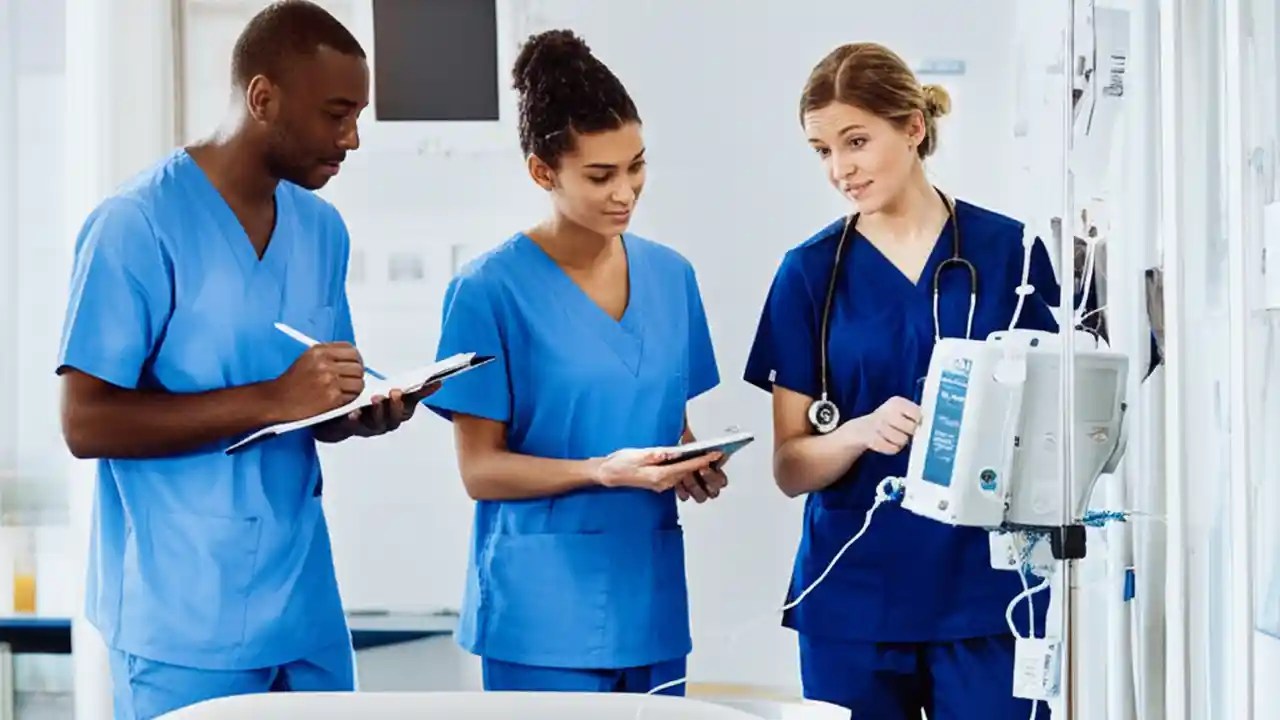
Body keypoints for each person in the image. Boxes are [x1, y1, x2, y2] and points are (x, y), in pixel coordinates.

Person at [55, 2, 434, 717]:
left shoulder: (321, 230)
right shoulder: (136, 225)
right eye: (336, 114)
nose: (352, 138)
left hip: (302, 605)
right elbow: (85, 422)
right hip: (183, 614)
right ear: (263, 98)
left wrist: (358, 413)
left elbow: (314, 405)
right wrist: (271, 398)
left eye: (358, 116)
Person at [744, 42, 1061, 719]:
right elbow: (790, 467)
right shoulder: (809, 273)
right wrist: (857, 433)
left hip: (987, 592)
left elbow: (1055, 415)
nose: (840, 169)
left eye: (856, 141)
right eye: (823, 150)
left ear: (913, 127)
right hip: (853, 598)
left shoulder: (1011, 253)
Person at [423, 28, 727, 696]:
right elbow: (480, 470)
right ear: (543, 172)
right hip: (540, 614)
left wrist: (690, 464)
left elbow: (666, 424)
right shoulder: (488, 292)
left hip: (648, 599)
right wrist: (601, 472)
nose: (626, 192)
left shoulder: (672, 278)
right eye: (600, 175)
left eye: (636, 166)